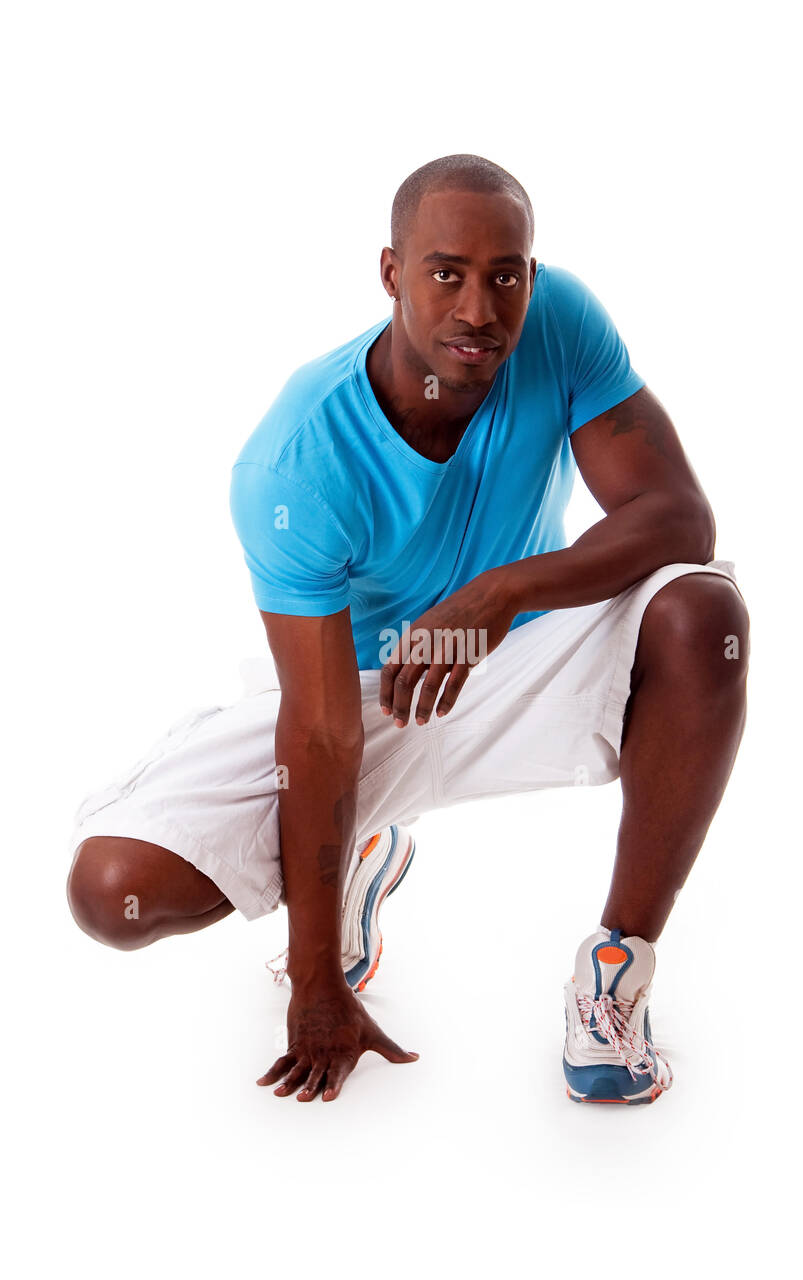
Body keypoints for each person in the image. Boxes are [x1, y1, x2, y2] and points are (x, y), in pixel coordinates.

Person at [66, 154, 750, 1106]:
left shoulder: (560, 321)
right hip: (351, 696)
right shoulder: (296, 460)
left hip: (517, 656)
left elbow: (678, 518)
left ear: (532, 275)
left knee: (701, 611)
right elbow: (316, 729)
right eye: (446, 274)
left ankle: (615, 976)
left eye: (505, 275)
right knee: (111, 892)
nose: (479, 309)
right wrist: (318, 983)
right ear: (390, 272)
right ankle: (350, 858)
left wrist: (501, 593)